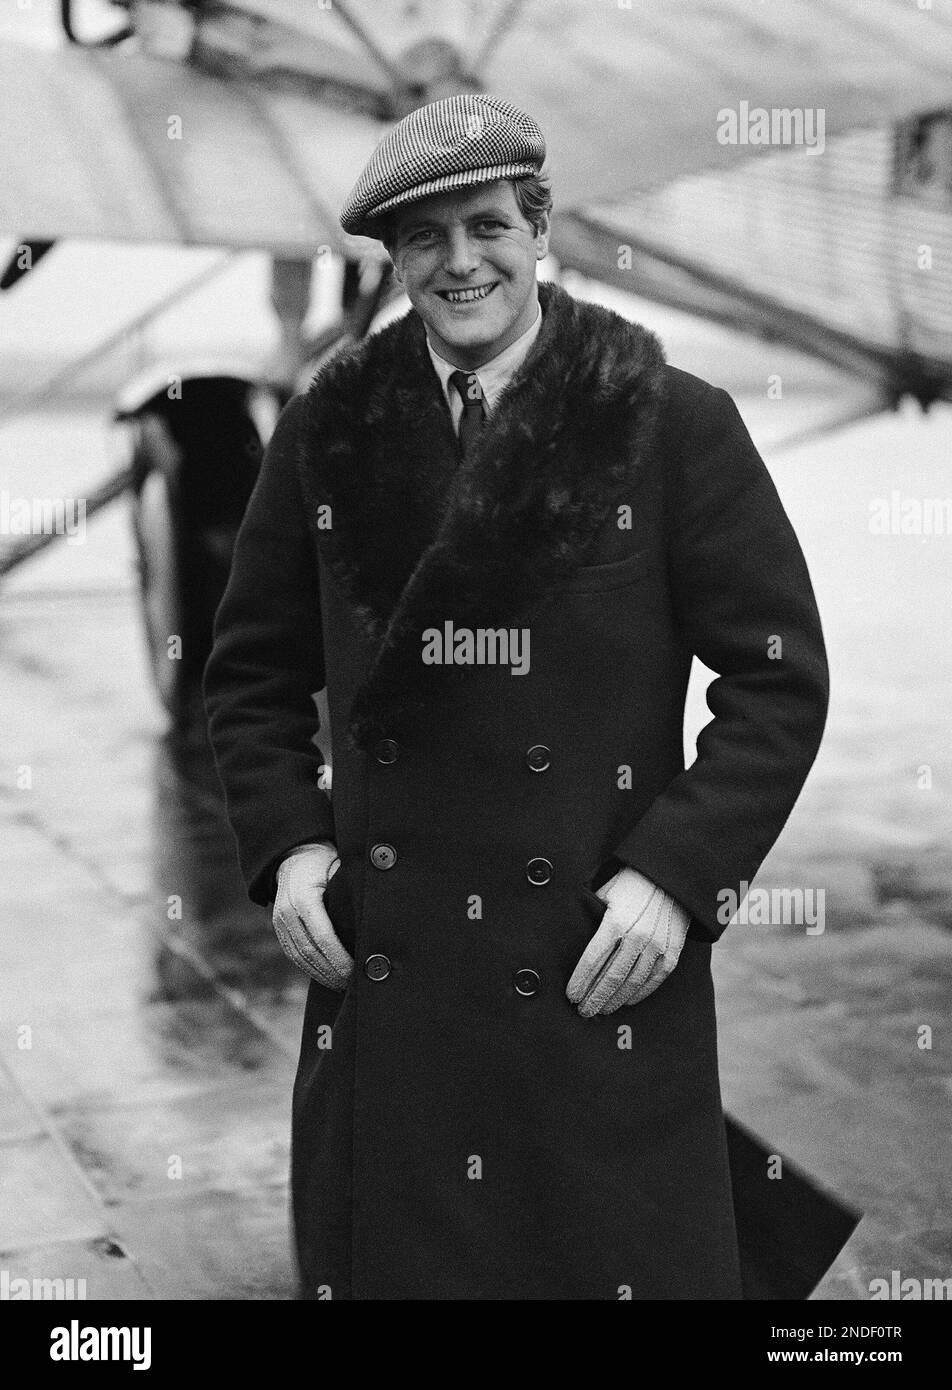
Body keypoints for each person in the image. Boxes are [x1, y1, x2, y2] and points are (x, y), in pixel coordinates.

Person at [203, 93, 830, 1300]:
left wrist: (672, 878)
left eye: (485, 225)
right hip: (394, 970)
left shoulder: (669, 422)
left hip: (595, 956)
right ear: (393, 262)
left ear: (541, 230)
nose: (459, 262)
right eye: (424, 239)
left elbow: (775, 676)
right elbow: (250, 673)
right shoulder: (323, 432)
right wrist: (286, 851)